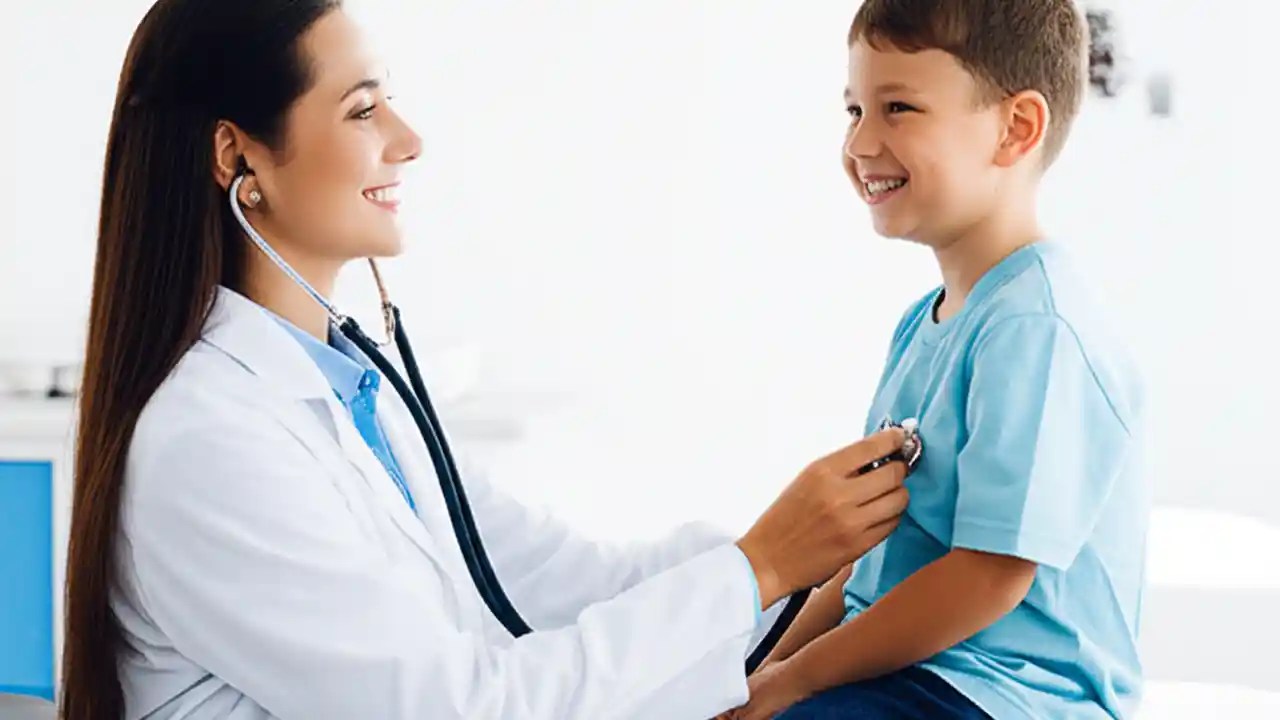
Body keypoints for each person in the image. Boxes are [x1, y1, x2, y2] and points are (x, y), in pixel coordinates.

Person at [59, 2, 914, 719]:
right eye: (363, 111)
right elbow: (458, 708)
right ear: (238, 157)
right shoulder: (210, 444)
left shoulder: (356, 389)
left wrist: (791, 559)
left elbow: (554, 577)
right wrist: (761, 566)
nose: (409, 139)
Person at [721, 1, 1149, 718]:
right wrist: (762, 667)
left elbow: (988, 577)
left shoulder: (1036, 328)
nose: (860, 142)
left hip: (1006, 694)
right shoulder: (925, 325)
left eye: (898, 108)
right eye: (854, 109)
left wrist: (794, 682)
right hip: (921, 673)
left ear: (1016, 130)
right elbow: (868, 560)